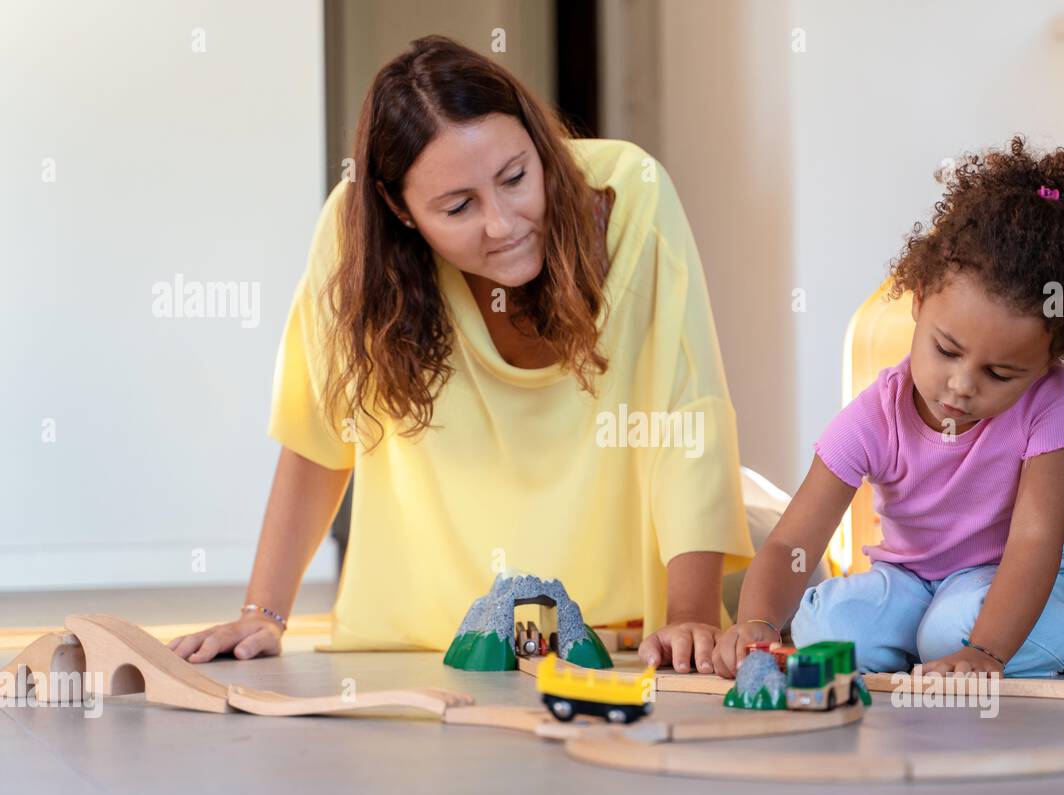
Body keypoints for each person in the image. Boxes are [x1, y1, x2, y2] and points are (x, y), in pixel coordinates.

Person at [168, 36, 752, 669]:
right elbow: (318, 439)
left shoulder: (634, 192)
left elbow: (686, 415)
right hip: (420, 640)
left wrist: (689, 617)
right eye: (458, 206)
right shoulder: (352, 235)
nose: (502, 223)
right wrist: (263, 614)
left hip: (617, 638)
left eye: (516, 178)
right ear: (400, 210)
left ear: (539, 142)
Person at [709, 137, 1064, 679]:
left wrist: (985, 653)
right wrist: (760, 625)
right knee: (832, 630)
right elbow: (794, 540)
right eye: (946, 350)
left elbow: (1034, 541)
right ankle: (946, 642)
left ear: (1050, 359)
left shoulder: (1049, 402)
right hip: (917, 581)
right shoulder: (872, 417)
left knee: (952, 629)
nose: (961, 386)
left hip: (1028, 575)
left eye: (1000, 374)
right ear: (917, 300)